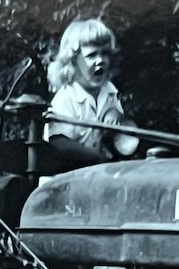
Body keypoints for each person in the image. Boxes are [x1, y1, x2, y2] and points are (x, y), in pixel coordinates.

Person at [46, 18, 139, 167]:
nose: (101, 60)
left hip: (96, 172)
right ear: (73, 61)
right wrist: (96, 158)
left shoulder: (109, 91)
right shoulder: (66, 97)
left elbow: (120, 138)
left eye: (105, 53)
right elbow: (59, 143)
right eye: (92, 55)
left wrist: (116, 115)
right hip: (68, 175)